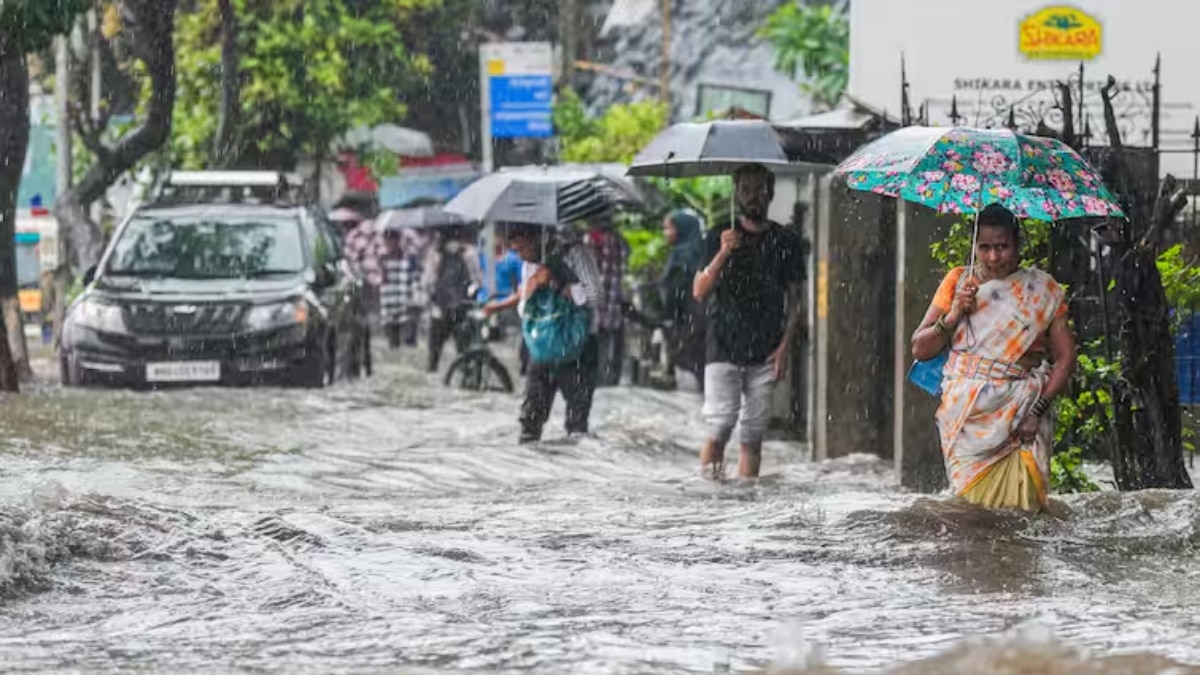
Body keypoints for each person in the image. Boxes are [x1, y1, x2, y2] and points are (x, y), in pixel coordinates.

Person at [911, 203, 1077, 512]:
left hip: (1020, 418)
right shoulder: (959, 282)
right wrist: (954, 314)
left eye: (1002, 247)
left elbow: (1066, 360)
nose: (992, 257)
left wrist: (1036, 412)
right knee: (967, 513)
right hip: (966, 419)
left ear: (1018, 246)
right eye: (984, 248)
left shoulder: (1042, 291)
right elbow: (920, 348)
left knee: (1022, 517)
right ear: (974, 247)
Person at [693, 164, 806, 480]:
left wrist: (785, 348)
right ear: (736, 193)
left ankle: (745, 503)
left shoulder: (787, 241)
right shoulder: (717, 235)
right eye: (746, 190)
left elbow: (797, 301)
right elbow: (700, 290)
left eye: (759, 189)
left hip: (767, 351)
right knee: (720, 424)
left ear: (770, 192)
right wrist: (723, 253)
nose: (753, 196)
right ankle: (711, 494)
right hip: (723, 346)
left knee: (753, 434)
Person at [484, 223, 603, 444]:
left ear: (533, 239)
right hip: (541, 347)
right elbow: (524, 311)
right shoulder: (529, 265)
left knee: (577, 424)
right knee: (530, 420)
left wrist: (564, 282)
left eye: (521, 249)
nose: (520, 256)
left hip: (579, 347)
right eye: (515, 251)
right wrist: (532, 288)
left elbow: (595, 298)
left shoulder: (576, 253)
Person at [422, 227, 483, 372]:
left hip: (449, 307)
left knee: (438, 348)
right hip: (456, 307)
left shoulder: (440, 254)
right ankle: (463, 370)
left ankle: (437, 368)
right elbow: (478, 281)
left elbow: (427, 282)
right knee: (460, 347)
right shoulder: (466, 254)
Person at [658, 209, 707, 389]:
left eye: (668, 228)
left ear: (682, 229)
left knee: (696, 366)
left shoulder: (681, 256)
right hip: (704, 320)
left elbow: (675, 290)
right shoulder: (701, 251)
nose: (666, 233)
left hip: (688, 320)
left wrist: (668, 317)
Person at [379, 229, 423, 348]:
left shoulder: (408, 257)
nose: (389, 244)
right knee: (391, 327)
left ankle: (409, 342)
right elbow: (379, 278)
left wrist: (415, 293)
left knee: (407, 325)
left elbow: (415, 276)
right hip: (388, 298)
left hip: (404, 297)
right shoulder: (382, 258)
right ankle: (393, 343)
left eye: (392, 240)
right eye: (387, 240)